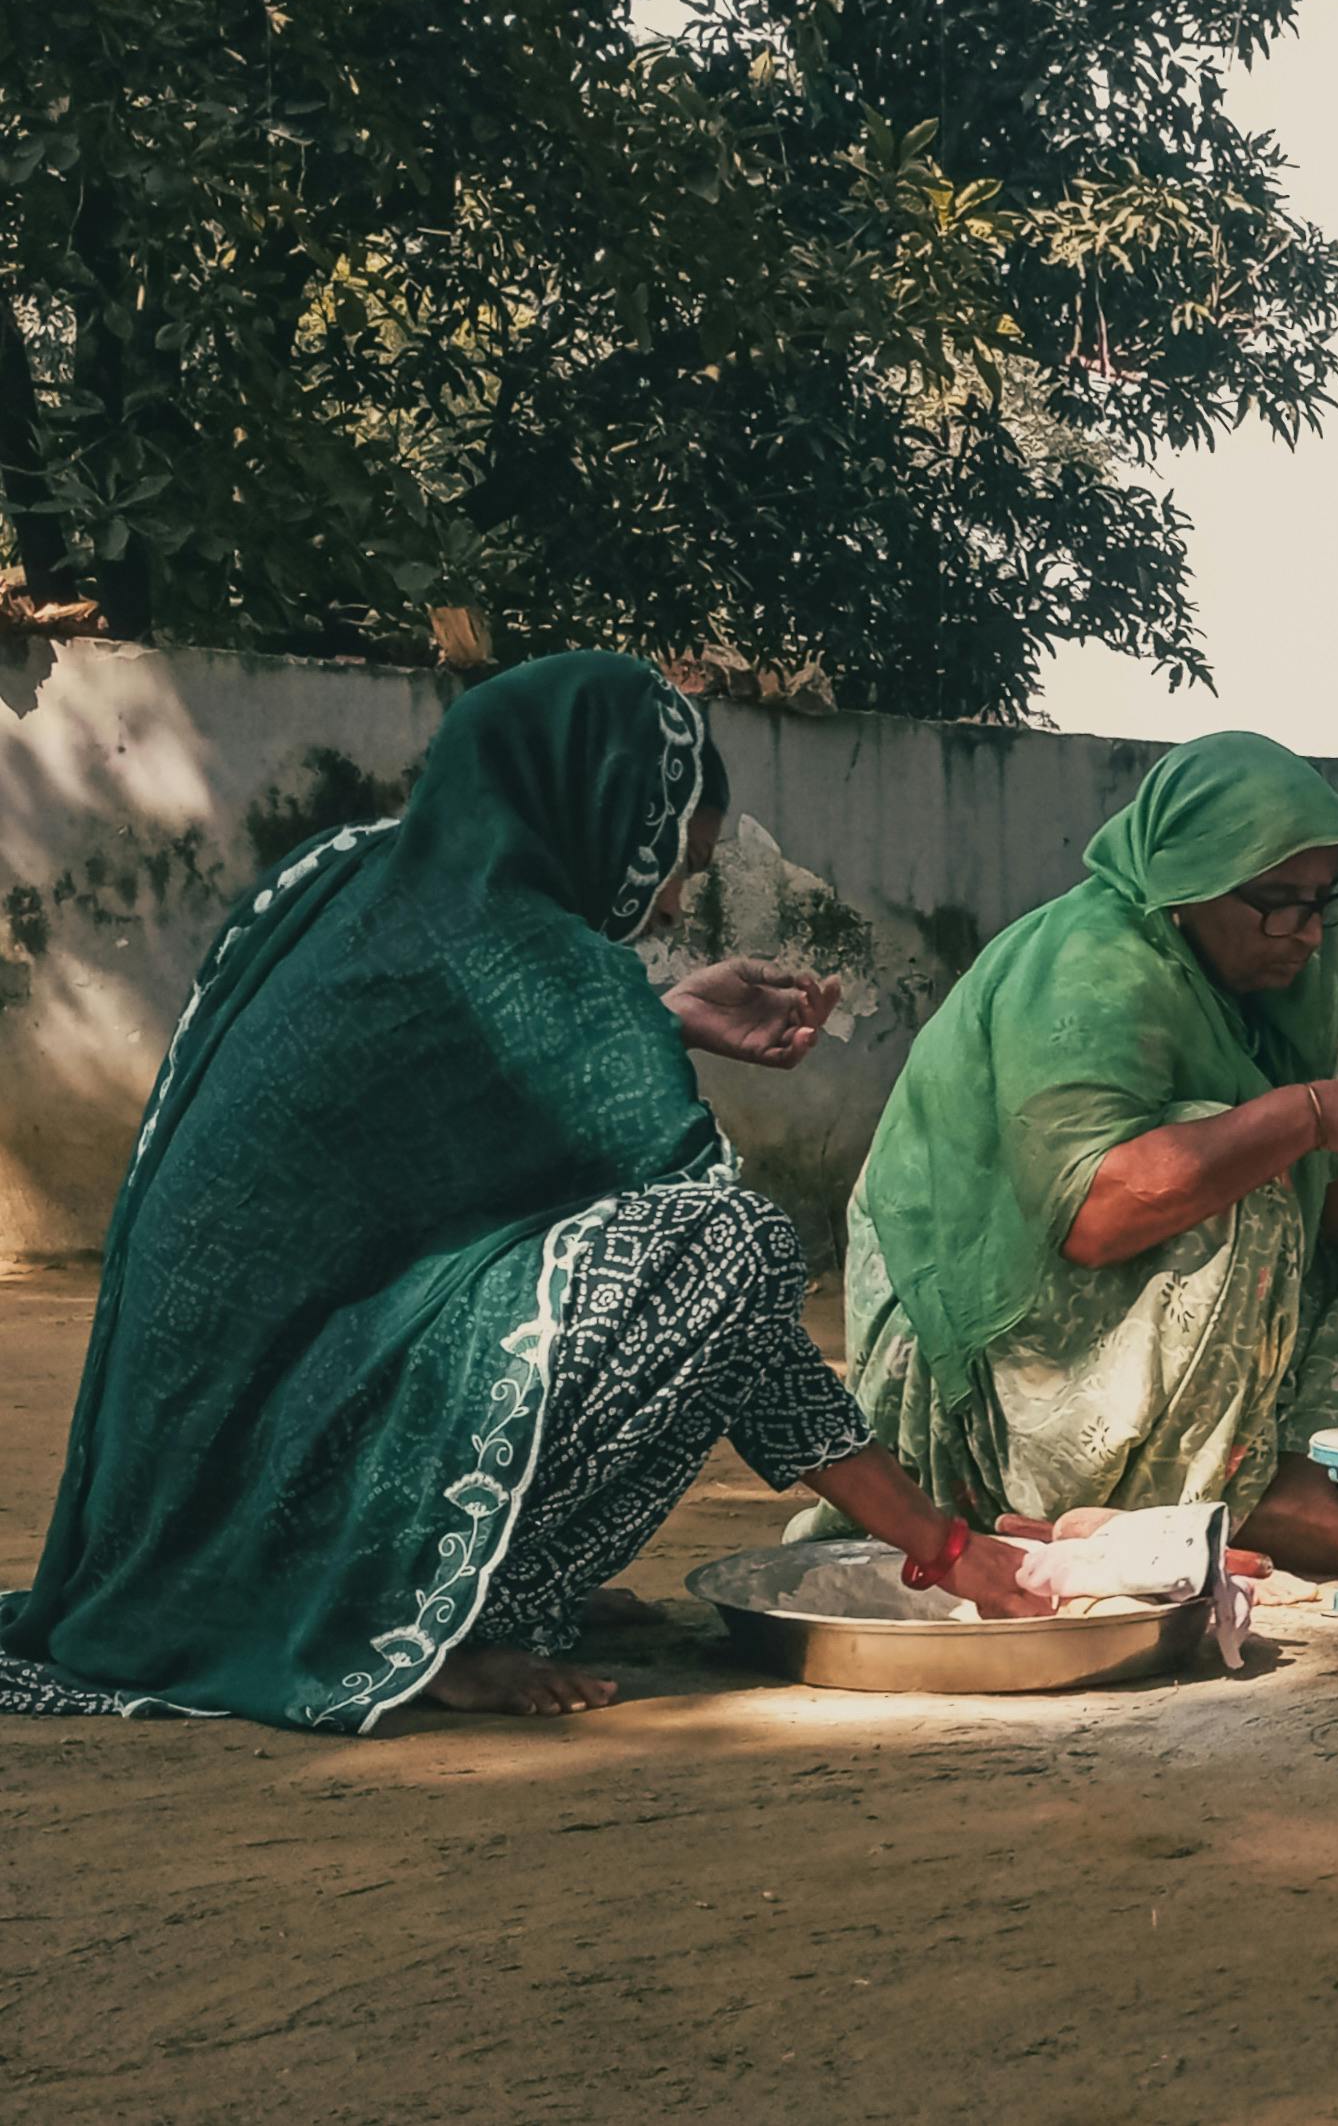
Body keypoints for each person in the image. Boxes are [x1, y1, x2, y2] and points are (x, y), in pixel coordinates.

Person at [0, 653, 1056, 1732]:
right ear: (606, 817)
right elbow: (736, 1319)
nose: (672, 904)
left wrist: (657, 1017)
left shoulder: (346, 877)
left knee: (650, 1271)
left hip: (202, 1459)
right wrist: (943, 1548)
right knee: (728, 1248)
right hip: (300, 1461)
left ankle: (474, 1580)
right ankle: (426, 1625)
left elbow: (447, 1086)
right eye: (677, 864)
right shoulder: (543, 965)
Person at [809, 732, 1338, 1577]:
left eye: (1322, 902)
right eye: (1278, 901)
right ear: (1188, 881)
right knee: (1243, 1167)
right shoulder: (1085, 966)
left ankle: (1286, 1481)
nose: (1306, 934)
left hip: (1122, 1309)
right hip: (991, 1329)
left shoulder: (1287, 995)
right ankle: (1158, 1502)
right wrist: (1305, 1115)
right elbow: (1091, 1215)